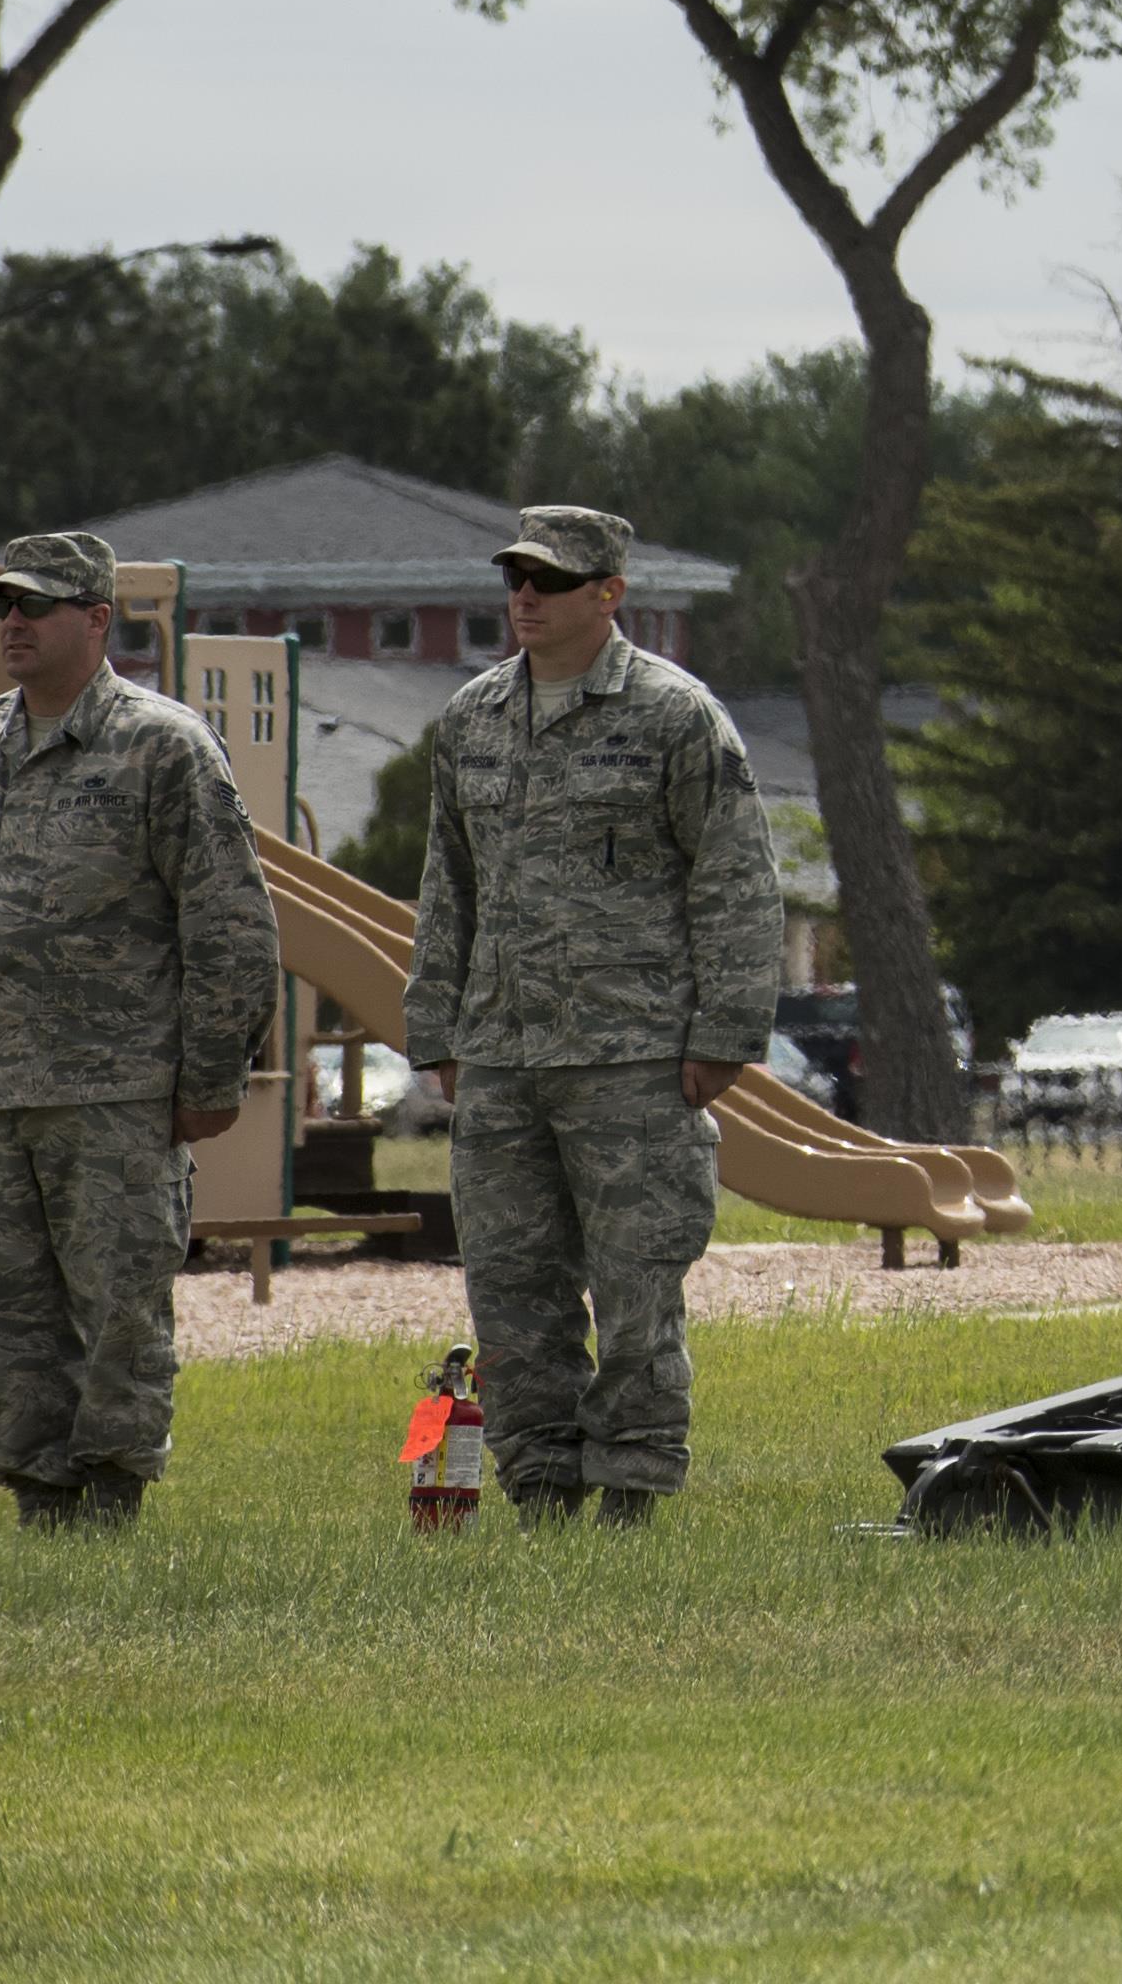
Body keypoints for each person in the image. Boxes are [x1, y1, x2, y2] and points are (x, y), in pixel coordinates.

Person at [399, 508, 777, 1528]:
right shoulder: (473, 718)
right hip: (502, 1054)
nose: (526, 596)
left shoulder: (674, 715)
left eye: (552, 581)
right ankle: (542, 1488)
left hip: (633, 1057)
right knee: (512, 1291)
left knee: (635, 1288)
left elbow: (736, 880)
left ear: (610, 593)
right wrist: (435, 1028)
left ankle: (633, 1490)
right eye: (515, 577)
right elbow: (448, 884)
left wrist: (725, 1034)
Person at [0, 530, 279, 1529]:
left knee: (119, 1312)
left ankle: (113, 1498)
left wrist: (210, 1078)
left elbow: (231, 923)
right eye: (3, 604)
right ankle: (40, 1498)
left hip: (115, 1088)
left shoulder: (164, 746)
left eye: (37, 603)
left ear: (98, 618)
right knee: (10, 1315)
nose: (13, 622)